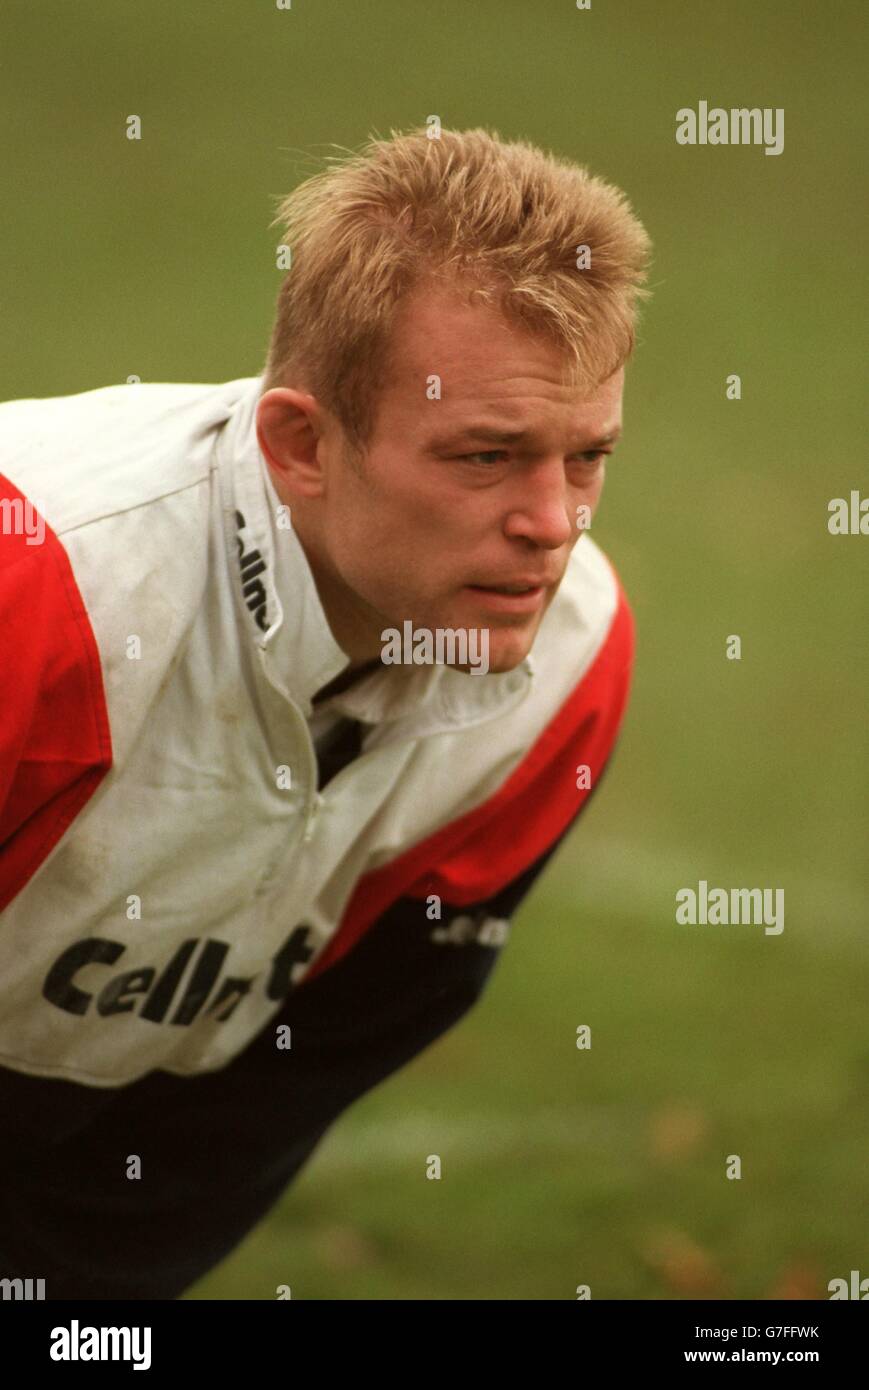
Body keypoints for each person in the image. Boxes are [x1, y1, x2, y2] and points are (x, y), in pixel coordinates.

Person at [0, 126, 652, 1298]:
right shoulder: (40, 589)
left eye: (586, 456)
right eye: (487, 455)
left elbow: (293, 1074)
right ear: (300, 443)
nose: (553, 523)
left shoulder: (571, 661)